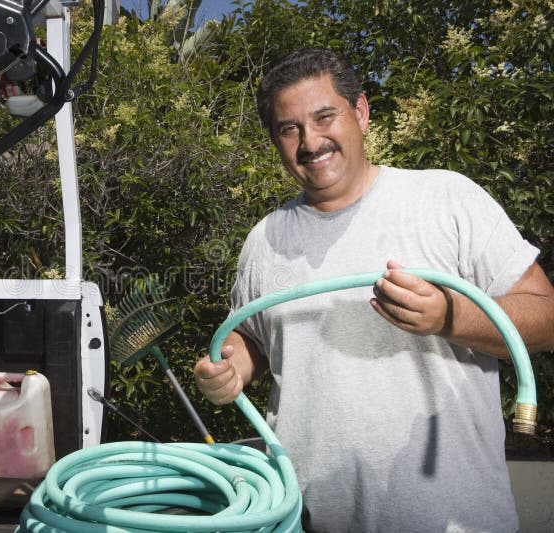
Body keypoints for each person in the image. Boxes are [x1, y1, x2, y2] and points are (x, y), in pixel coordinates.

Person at [193, 47, 554, 532]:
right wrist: (231, 366)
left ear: (360, 112)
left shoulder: (445, 198)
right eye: (289, 128)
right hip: (311, 521)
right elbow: (253, 339)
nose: (310, 141)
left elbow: (546, 316)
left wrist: (451, 316)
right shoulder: (264, 241)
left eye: (325, 117)